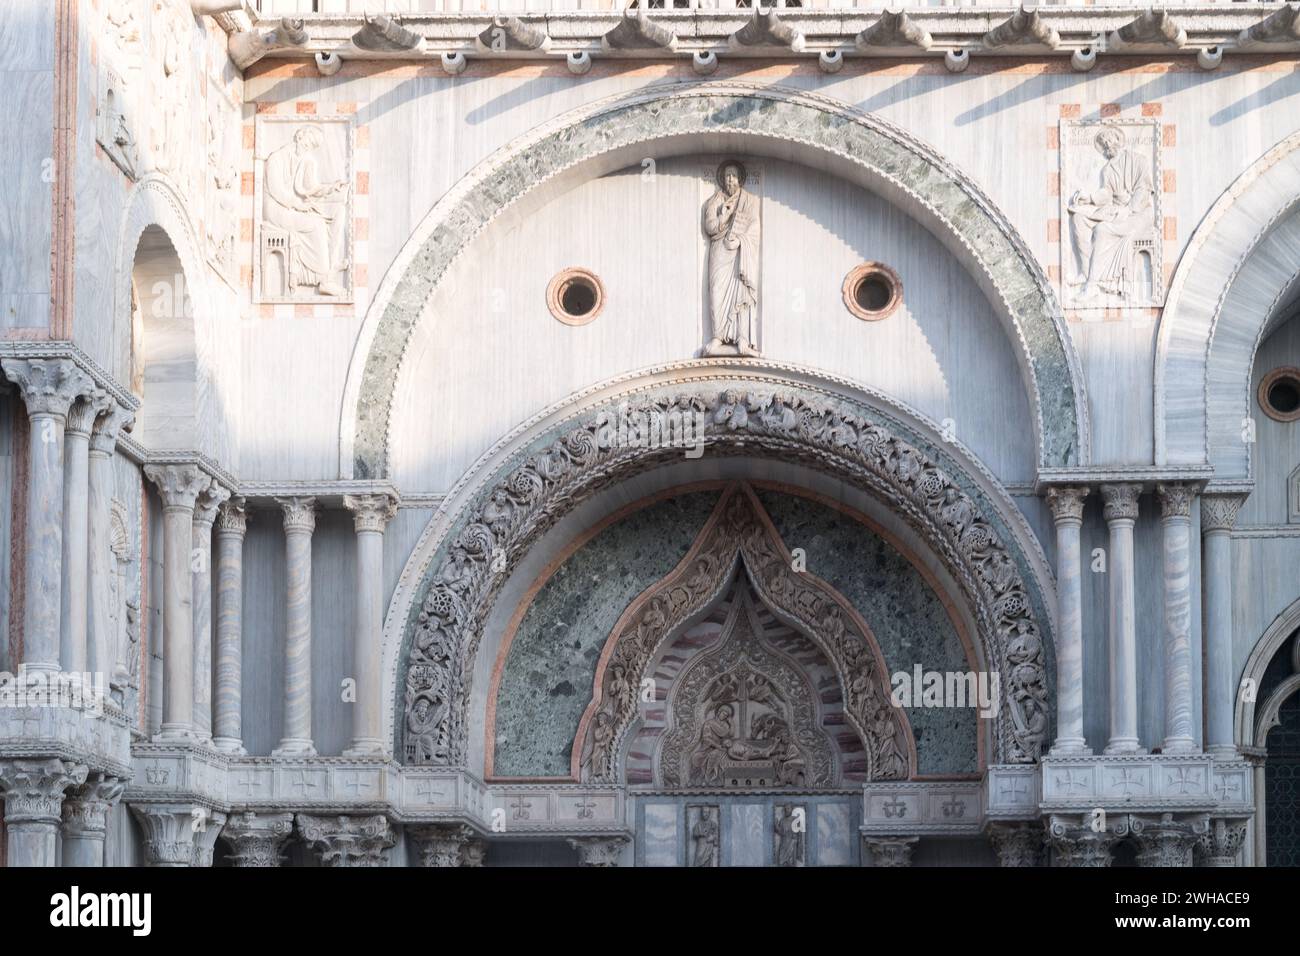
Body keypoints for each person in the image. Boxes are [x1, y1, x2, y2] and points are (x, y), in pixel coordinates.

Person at [1067, 127, 1154, 301]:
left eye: (1109, 140)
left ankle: (1092, 285)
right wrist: (1089, 198)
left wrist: (1128, 209)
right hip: (1116, 210)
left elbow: (1143, 189)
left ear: (1118, 140)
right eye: (1103, 143)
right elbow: (1106, 193)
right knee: (1079, 218)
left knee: (1102, 230)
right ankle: (1085, 271)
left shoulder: (1139, 160)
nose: (1107, 145)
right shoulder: (1107, 169)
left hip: (1139, 213)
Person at [263, 126, 351, 296]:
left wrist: (331, 188)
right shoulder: (276, 158)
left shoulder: (304, 160)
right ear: (299, 137)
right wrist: (298, 205)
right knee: (316, 224)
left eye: (311, 147)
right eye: (307, 144)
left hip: (292, 208)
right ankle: (323, 280)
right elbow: (277, 191)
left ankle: (328, 268)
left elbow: (311, 187)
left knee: (330, 218)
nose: (308, 149)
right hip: (276, 210)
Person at [703, 162, 761, 356]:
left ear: (740, 179)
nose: (730, 180)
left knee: (741, 291)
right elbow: (710, 227)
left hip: (740, 252)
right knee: (717, 290)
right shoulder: (714, 202)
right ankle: (717, 336)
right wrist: (723, 215)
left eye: (734, 176)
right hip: (719, 251)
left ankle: (742, 339)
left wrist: (741, 241)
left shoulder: (750, 201)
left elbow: (754, 227)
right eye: (727, 176)